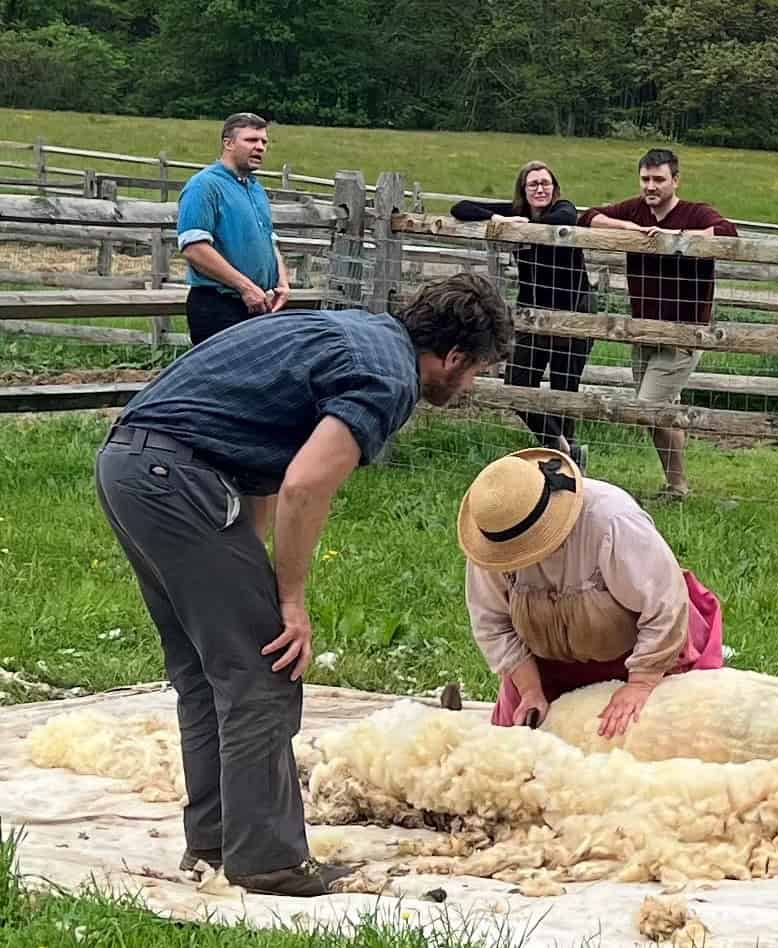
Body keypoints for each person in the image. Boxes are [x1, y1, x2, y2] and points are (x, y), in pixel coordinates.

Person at [95, 274, 512, 896]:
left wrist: (252, 573)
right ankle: (269, 861)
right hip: (177, 478)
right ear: (452, 357)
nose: (471, 384)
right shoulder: (388, 377)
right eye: (475, 369)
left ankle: (215, 844)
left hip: (134, 465)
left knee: (209, 671)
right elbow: (304, 485)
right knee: (265, 669)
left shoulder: (363, 335)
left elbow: (259, 460)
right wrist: (288, 600)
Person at [460, 448, 724, 736]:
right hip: (545, 668)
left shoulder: (611, 521)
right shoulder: (494, 539)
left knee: (658, 743)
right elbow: (492, 625)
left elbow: (665, 606)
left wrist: (641, 683)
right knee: (516, 751)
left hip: (642, 653)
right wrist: (530, 690)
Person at [579, 149, 737, 500]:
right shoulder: (635, 209)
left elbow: (728, 231)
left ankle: (677, 485)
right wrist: (629, 229)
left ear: (675, 180)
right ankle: (677, 486)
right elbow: (588, 217)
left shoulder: (695, 212)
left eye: (659, 179)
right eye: (645, 179)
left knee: (648, 408)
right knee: (660, 413)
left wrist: (676, 237)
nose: (651, 186)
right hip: (643, 331)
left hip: (683, 332)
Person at [451, 161, 595, 470]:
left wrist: (518, 226)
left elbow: (565, 218)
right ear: (523, 190)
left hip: (574, 310)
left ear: (555, 189)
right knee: (517, 382)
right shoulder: (519, 211)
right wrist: (500, 217)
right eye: (533, 185)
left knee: (563, 387)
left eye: (545, 183)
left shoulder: (563, 209)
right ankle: (560, 447)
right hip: (531, 315)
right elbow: (460, 207)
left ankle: (564, 465)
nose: (540, 189)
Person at [177, 112, 291, 345]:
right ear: (228, 143)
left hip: (257, 303)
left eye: (263, 142)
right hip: (218, 305)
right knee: (222, 380)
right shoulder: (204, 186)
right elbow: (194, 247)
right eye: (251, 140)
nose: (259, 147)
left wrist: (282, 281)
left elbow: (268, 238)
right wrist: (246, 286)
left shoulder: (255, 188)